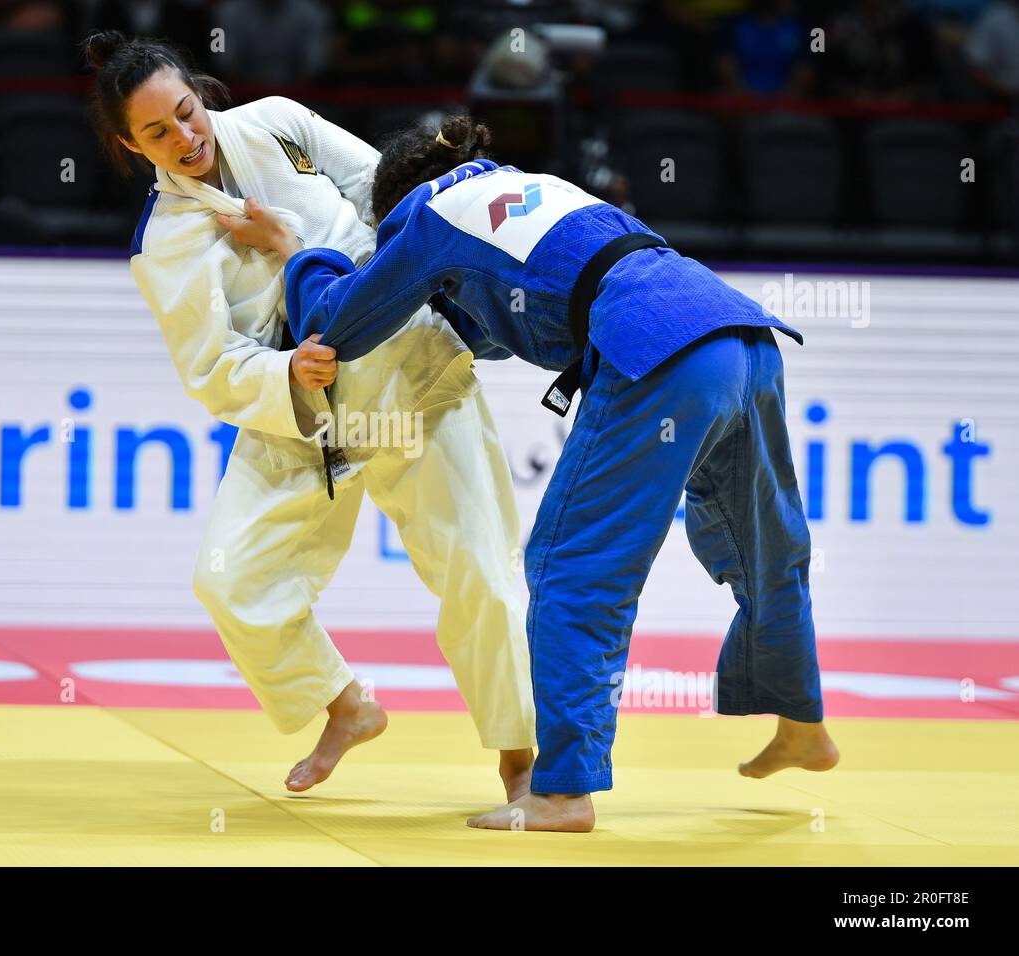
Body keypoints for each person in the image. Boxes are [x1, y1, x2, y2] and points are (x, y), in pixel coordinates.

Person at [226, 114, 839, 831]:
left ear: (394, 208)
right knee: (762, 546)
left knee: (571, 567)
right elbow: (493, 327)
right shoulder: (535, 190)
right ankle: (802, 721)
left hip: (653, 349)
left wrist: (299, 252)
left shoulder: (424, 215)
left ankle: (561, 790)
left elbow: (339, 326)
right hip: (740, 336)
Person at [84, 33, 536, 796]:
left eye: (187, 114)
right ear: (129, 143)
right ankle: (346, 705)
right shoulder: (162, 245)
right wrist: (283, 370)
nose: (185, 139)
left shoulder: (278, 123)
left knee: (485, 578)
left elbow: (387, 194)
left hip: (412, 379)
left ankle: (523, 764)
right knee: (229, 581)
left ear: (200, 93)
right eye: (157, 133)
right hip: (304, 418)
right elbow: (211, 366)